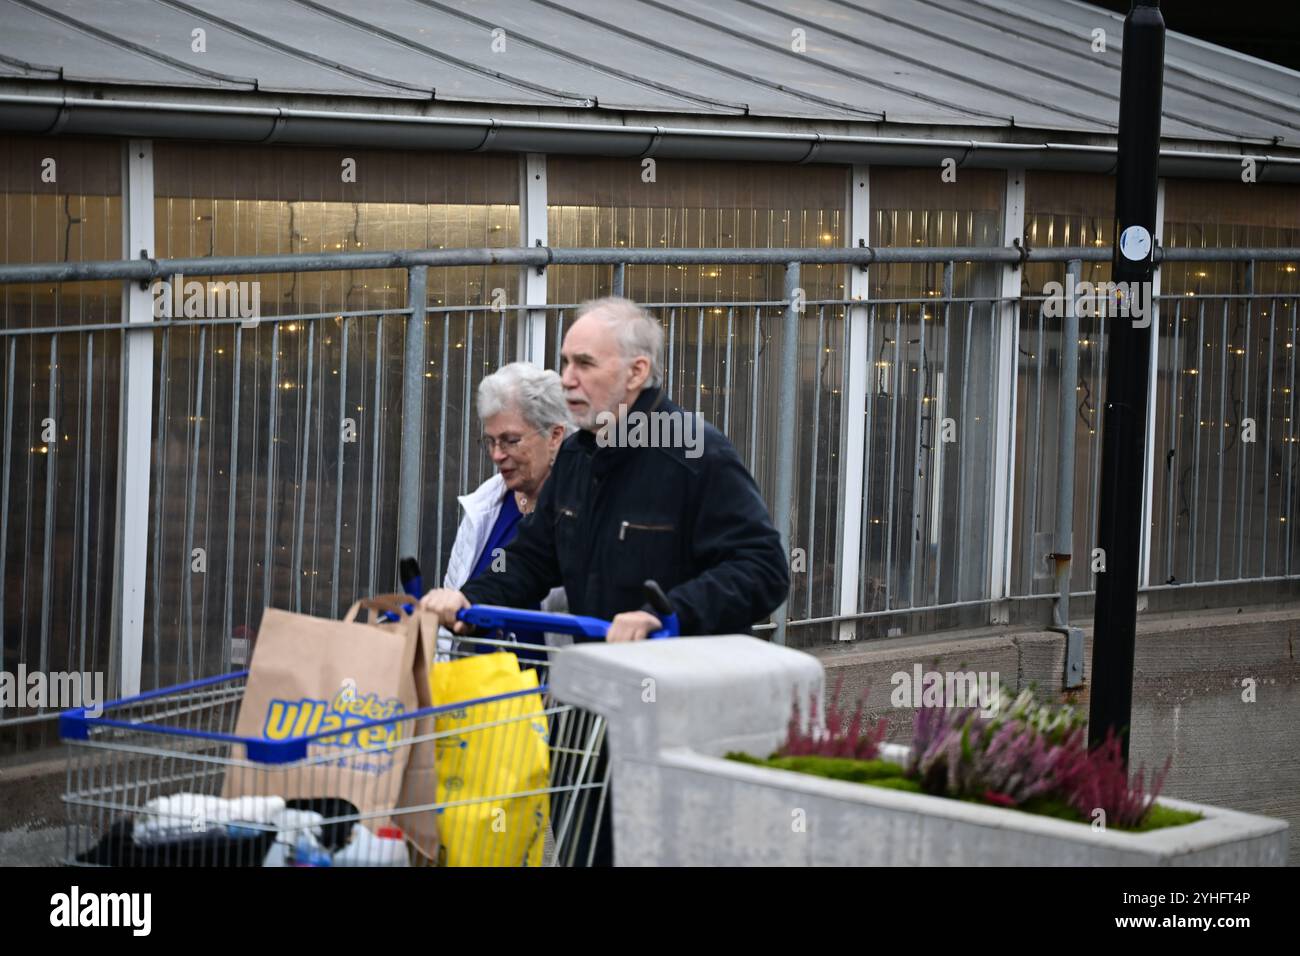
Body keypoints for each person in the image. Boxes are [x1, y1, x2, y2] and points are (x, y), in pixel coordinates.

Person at [421, 296, 789, 642]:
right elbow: (528, 559)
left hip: (687, 692)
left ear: (636, 372)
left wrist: (666, 615)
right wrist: (470, 599)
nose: (567, 378)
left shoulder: (695, 453)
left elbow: (762, 569)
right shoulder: (575, 457)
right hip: (604, 688)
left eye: (584, 363)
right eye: (565, 362)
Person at [437, 361, 571, 659]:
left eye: (511, 440)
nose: (497, 455)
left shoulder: (577, 509)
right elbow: (456, 599)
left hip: (552, 699)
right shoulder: (484, 504)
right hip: (484, 695)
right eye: (490, 441)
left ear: (554, 435)